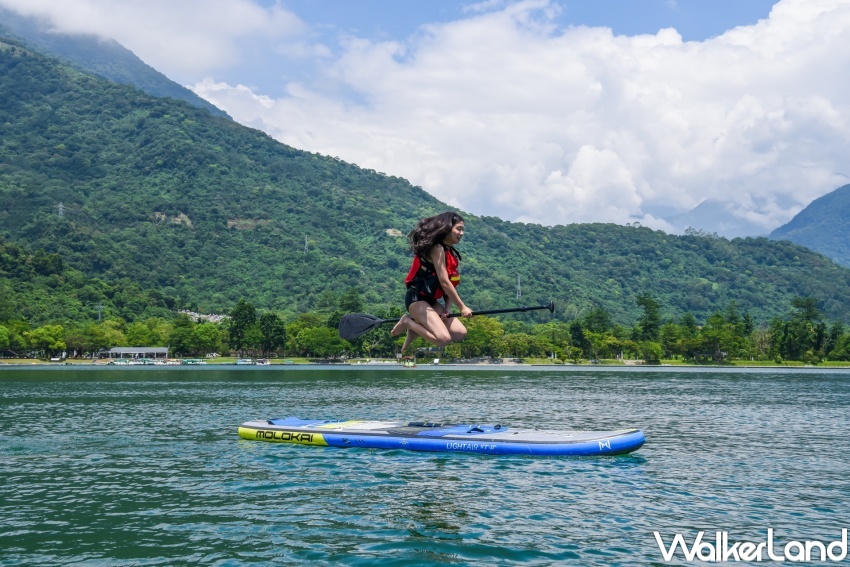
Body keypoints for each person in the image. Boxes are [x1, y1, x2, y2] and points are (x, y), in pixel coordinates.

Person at [391, 211, 472, 353]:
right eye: (458, 229)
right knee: (443, 339)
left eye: (462, 229)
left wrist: (447, 308)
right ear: (447, 228)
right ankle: (407, 322)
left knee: (460, 333)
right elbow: (444, 282)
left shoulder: (449, 252)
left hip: (431, 301)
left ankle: (417, 328)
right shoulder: (437, 248)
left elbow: (449, 285)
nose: (462, 233)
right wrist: (462, 307)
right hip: (416, 299)